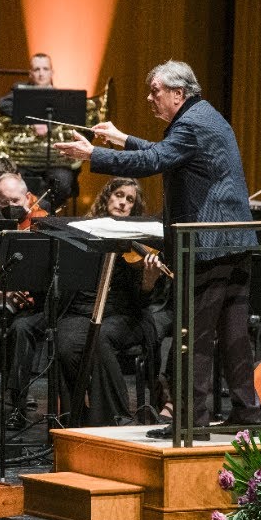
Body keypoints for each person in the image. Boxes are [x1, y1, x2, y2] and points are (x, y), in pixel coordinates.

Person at [55, 59, 261, 436]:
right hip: (234, 243)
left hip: (209, 246)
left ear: (178, 93)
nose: (150, 98)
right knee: (234, 335)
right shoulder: (202, 117)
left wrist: (93, 155)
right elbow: (168, 152)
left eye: (156, 91)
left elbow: (155, 160)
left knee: (194, 334)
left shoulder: (192, 123)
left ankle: (192, 421)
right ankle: (247, 412)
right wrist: (121, 139)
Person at [56, 177, 167, 426]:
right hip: (81, 311)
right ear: (107, 196)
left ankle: (116, 416)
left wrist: (148, 280)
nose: (123, 202)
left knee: (99, 336)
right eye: (119, 195)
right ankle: (75, 418)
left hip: (125, 315)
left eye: (130, 200)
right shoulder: (85, 230)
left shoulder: (139, 241)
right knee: (64, 344)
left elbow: (143, 301)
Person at [0, 53, 78, 209]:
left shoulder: (63, 98)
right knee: (13, 183)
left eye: (45, 69)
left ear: (52, 72)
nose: (41, 73)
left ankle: (43, 212)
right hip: (25, 159)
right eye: (37, 69)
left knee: (63, 183)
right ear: (30, 73)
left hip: (55, 160)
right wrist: (32, 118)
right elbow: (2, 104)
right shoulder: (20, 91)